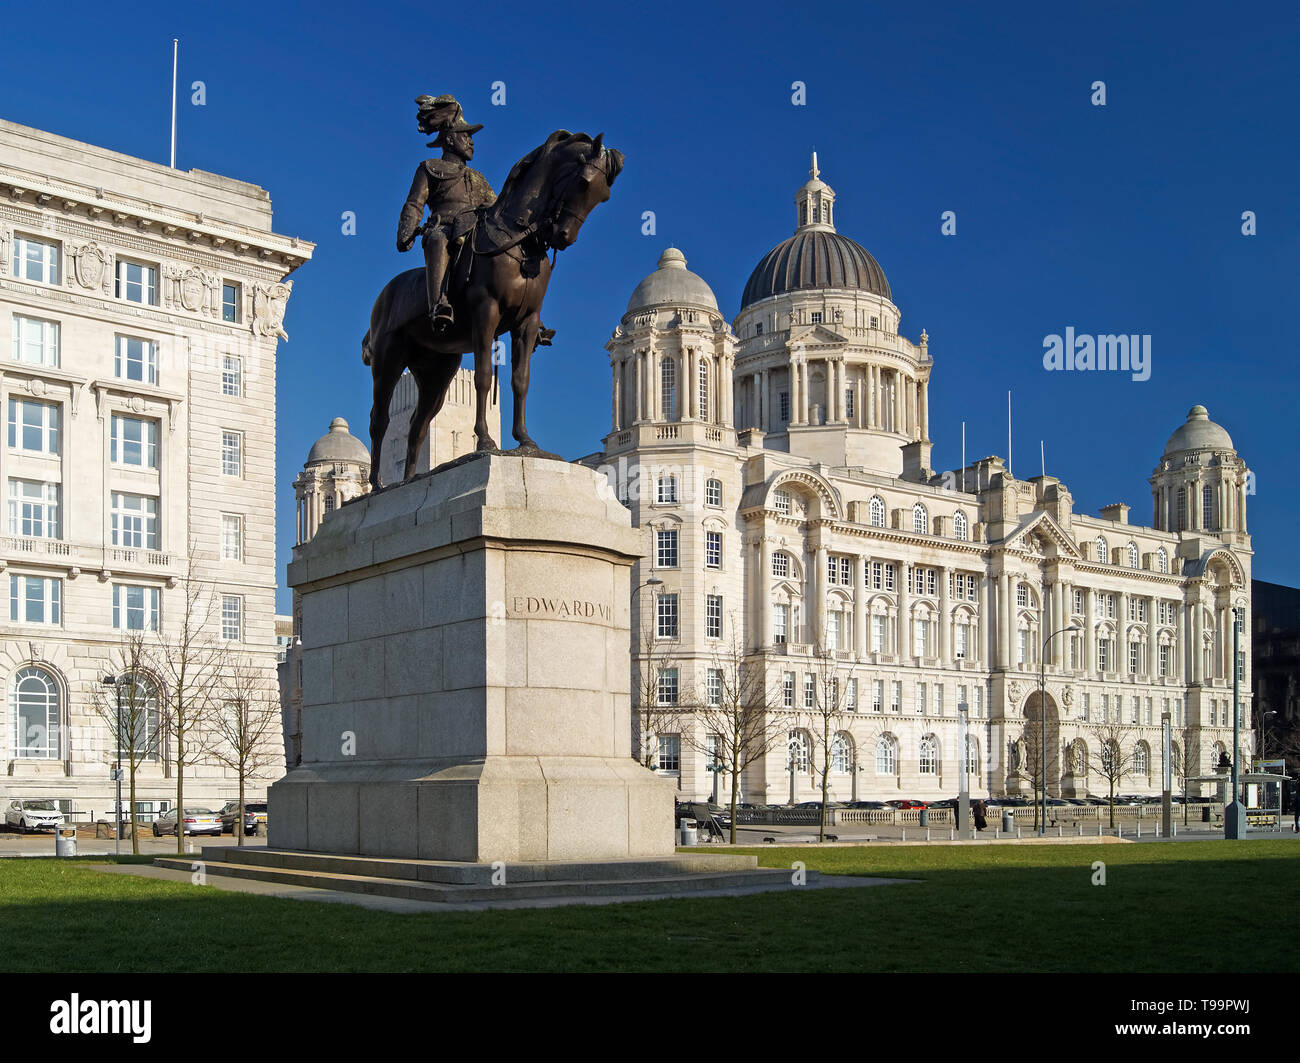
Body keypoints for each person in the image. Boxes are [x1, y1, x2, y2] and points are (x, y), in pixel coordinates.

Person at [396, 95, 495, 333]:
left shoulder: (478, 178)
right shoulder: (429, 168)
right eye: (466, 136)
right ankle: (439, 303)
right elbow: (414, 203)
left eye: (471, 137)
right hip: (445, 226)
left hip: (475, 229)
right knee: (438, 240)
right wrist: (407, 231)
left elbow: (496, 206)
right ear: (450, 139)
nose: (471, 142)